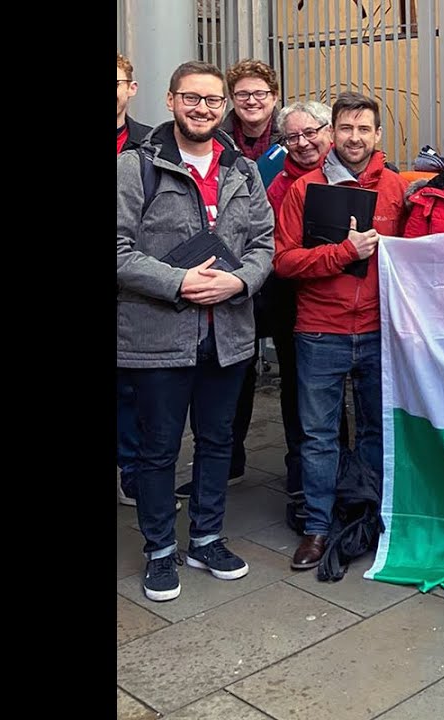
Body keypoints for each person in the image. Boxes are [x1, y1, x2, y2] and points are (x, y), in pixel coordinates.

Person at [117, 60, 276, 602]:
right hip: (158, 335)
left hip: (227, 334)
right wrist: (180, 280)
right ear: (170, 100)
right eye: (192, 98)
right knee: (158, 450)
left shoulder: (242, 170)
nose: (202, 108)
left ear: (222, 107)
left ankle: (206, 537)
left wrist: (237, 283)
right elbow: (118, 250)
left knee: (217, 442)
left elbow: (264, 245)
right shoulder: (134, 166)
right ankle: (160, 550)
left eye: (212, 100)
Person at [273, 92, 409, 571]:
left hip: (377, 330)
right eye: (346, 128)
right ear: (333, 133)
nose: (355, 137)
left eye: (364, 129)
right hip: (319, 331)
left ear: (377, 134)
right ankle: (316, 525)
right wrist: (343, 254)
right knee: (318, 436)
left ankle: (368, 515)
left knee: (376, 429)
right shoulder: (302, 189)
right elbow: (284, 261)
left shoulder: (395, 188)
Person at [180, 59, 284, 502]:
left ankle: (301, 474)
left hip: (281, 276)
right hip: (227, 277)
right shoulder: (216, 141)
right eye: (242, 94)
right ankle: (228, 461)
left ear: (274, 98)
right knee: (231, 372)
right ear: (230, 101)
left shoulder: (293, 138)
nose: (251, 101)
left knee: (296, 376)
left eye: (260, 93)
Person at [264, 100, 336, 531]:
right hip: (295, 301)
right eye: (293, 137)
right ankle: (303, 481)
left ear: (329, 131)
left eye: (311, 132)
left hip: (354, 304)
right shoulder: (278, 185)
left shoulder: (354, 170)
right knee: (299, 391)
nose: (304, 143)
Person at [117, 53, 156, 508]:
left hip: (132, 277)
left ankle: (132, 472)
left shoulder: (151, 145)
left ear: (132, 88)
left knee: (130, 386)